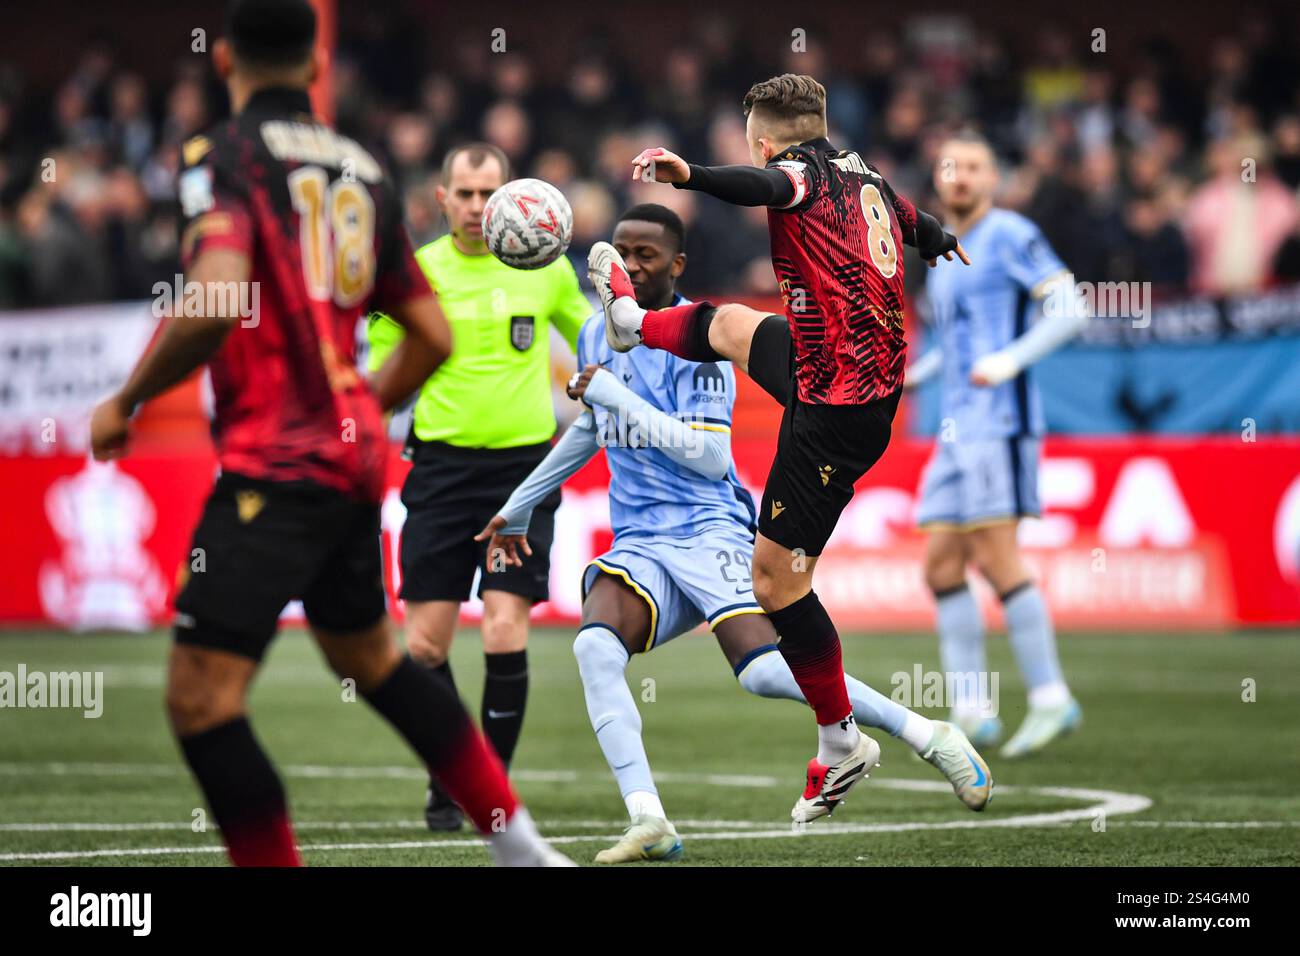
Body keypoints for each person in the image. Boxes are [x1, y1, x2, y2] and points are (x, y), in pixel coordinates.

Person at [88, 0, 569, 867]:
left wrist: (127, 398)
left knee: (201, 701)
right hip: (351, 461)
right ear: (317, 66)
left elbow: (215, 292)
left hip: (272, 462)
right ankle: (522, 849)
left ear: (224, 57)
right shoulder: (363, 168)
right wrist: (352, 413)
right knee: (378, 664)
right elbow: (431, 337)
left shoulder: (220, 157)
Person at [478, 204, 989, 864]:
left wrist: (615, 398)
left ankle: (927, 733)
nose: (631, 267)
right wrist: (521, 503)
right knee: (595, 652)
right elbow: (591, 427)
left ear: (676, 266)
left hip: (709, 530)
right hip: (640, 542)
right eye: (623, 254)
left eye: (647, 256)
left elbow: (710, 458)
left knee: (766, 673)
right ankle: (648, 818)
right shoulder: (591, 337)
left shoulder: (701, 342)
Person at [587, 74, 976, 823]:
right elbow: (911, 219)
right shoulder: (863, 172)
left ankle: (842, 740)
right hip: (829, 358)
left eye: (754, 145)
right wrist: (941, 238)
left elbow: (764, 185)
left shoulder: (792, 172)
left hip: (835, 406)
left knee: (776, 586)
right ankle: (634, 324)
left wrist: (691, 174)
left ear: (763, 137)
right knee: (731, 326)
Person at [366, 143, 589, 830]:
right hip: (437, 471)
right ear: (441, 198)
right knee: (425, 648)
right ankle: (452, 768)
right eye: (463, 193)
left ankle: (487, 789)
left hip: (522, 475)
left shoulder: (545, 269)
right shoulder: (414, 274)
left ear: (506, 196)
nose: (474, 206)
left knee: (501, 631)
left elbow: (590, 339)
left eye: (486, 193)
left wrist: (605, 366)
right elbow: (377, 375)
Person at [905, 132, 1086, 757]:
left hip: (997, 424)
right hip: (955, 429)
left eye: (975, 166)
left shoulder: (1009, 233)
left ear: (994, 178)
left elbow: (1071, 307)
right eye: (950, 166)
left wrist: (1010, 360)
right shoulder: (943, 249)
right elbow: (950, 347)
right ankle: (974, 712)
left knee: (996, 556)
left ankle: (1051, 697)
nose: (961, 177)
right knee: (941, 566)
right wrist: (910, 379)